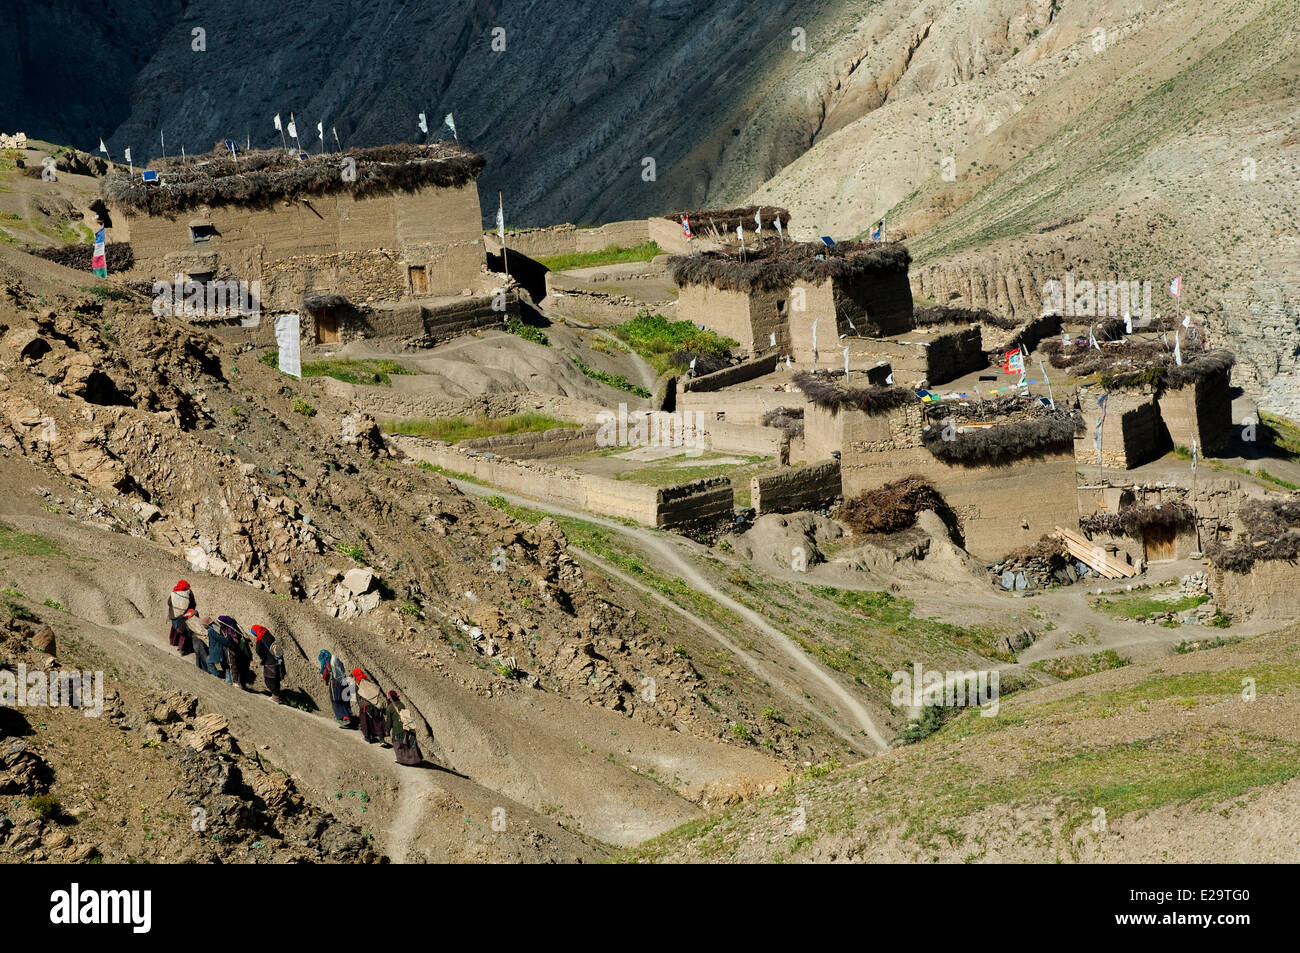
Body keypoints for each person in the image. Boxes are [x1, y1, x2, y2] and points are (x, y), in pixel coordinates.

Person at [384, 690, 422, 766]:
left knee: (399, 745)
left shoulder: (389, 708)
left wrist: (387, 731)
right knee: (408, 745)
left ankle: (403, 760)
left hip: (398, 730)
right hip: (407, 727)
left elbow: (389, 722)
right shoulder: (402, 704)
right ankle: (413, 760)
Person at [215, 616, 253, 690]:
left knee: (234, 666)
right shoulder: (226, 629)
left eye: (220, 623)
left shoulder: (232, 631)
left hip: (234, 651)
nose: (219, 624)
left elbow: (232, 641)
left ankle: (236, 682)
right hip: (234, 650)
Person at [319, 650, 353, 728]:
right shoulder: (334, 658)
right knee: (343, 699)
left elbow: (328, 671)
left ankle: (344, 719)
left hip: (336, 682)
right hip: (343, 681)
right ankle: (348, 716)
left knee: (336, 700)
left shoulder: (330, 661)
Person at [251, 625, 285, 703]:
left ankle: (275, 697)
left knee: (269, 679)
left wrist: (263, 658)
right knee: (275, 678)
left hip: (269, 662)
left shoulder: (260, 639)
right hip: (277, 660)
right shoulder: (269, 635)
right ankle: (276, 696)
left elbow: (258, 650)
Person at [354, 668, 386, 744]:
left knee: (364, 722)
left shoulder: (358, 684)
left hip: (364, 707)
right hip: (374, 705)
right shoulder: (368, 682)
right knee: (376, 721)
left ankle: (367, 737)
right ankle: (381, 739)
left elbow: (358, 697)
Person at [167, 581, 196, 652]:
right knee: (183, 631)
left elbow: (169, 602)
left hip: (174, 615)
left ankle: (173, 642)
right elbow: (193, 604)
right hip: (184, 616)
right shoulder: (189, 593)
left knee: (175, 629)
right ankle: (182, 647)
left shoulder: (174, 593)